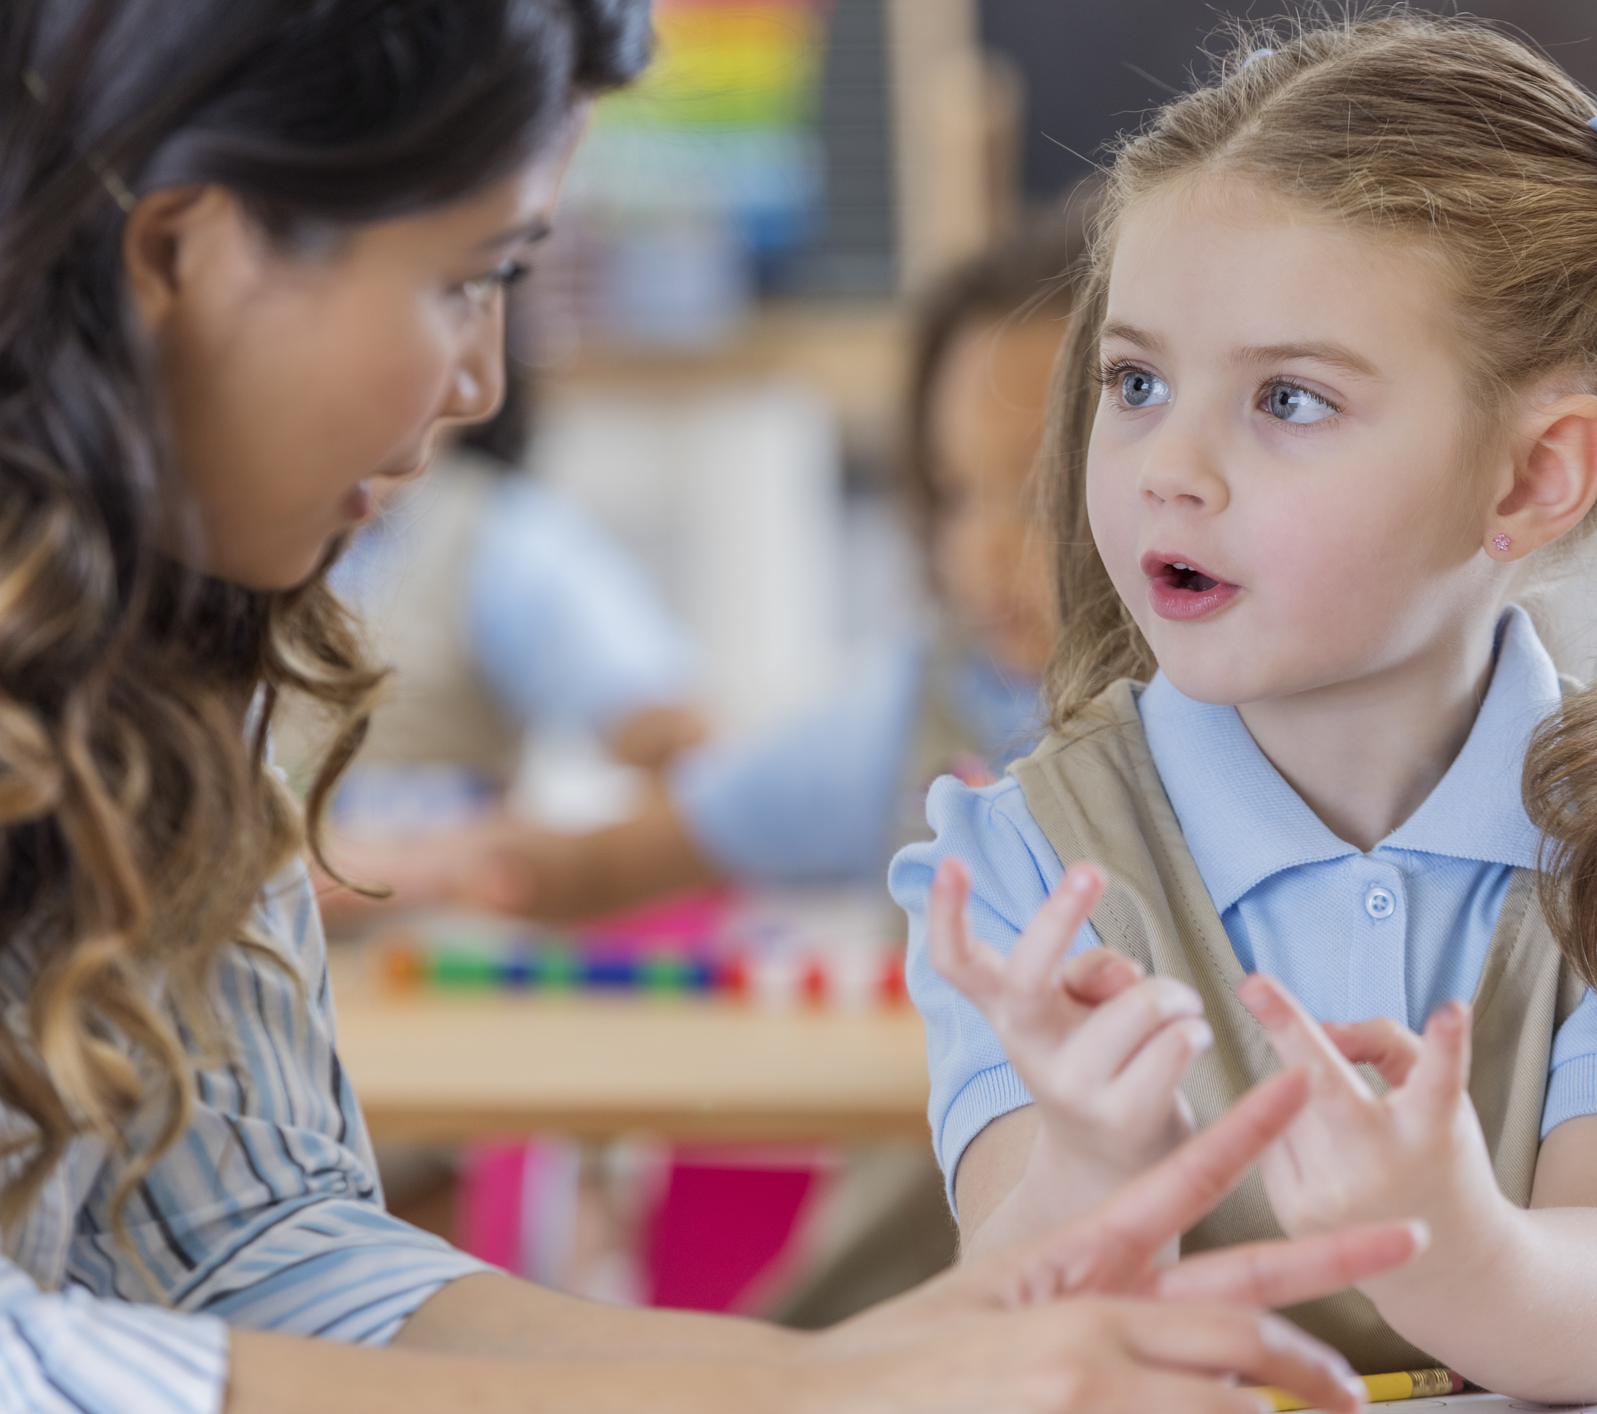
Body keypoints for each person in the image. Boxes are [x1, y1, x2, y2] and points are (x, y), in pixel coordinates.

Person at [0, 3, 1427, 1409]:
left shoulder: (167, 677)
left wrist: (845, 1371)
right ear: (178, 251)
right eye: (466, 278)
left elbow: (256, 1242)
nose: (481, 381)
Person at [897, 13, 1597, 1405]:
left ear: (1533, 478)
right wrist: (1089, 1163)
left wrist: (1455, 1241)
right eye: (1137, 381)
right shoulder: (1018, 867)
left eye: (1289, 398)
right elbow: (1022, 1342)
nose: (1167, 466)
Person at [450, 213, 1084, 924]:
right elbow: (606, 862)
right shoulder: (911, 711)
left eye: (1039, 496)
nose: (983, 551)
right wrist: (403, 866)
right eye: (955, 493)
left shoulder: (1183, 726)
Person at [288, 333, 708, 925]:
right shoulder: (219, 534)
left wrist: (436, 868)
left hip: (425, 953)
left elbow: (691, 757)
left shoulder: (506, 541)